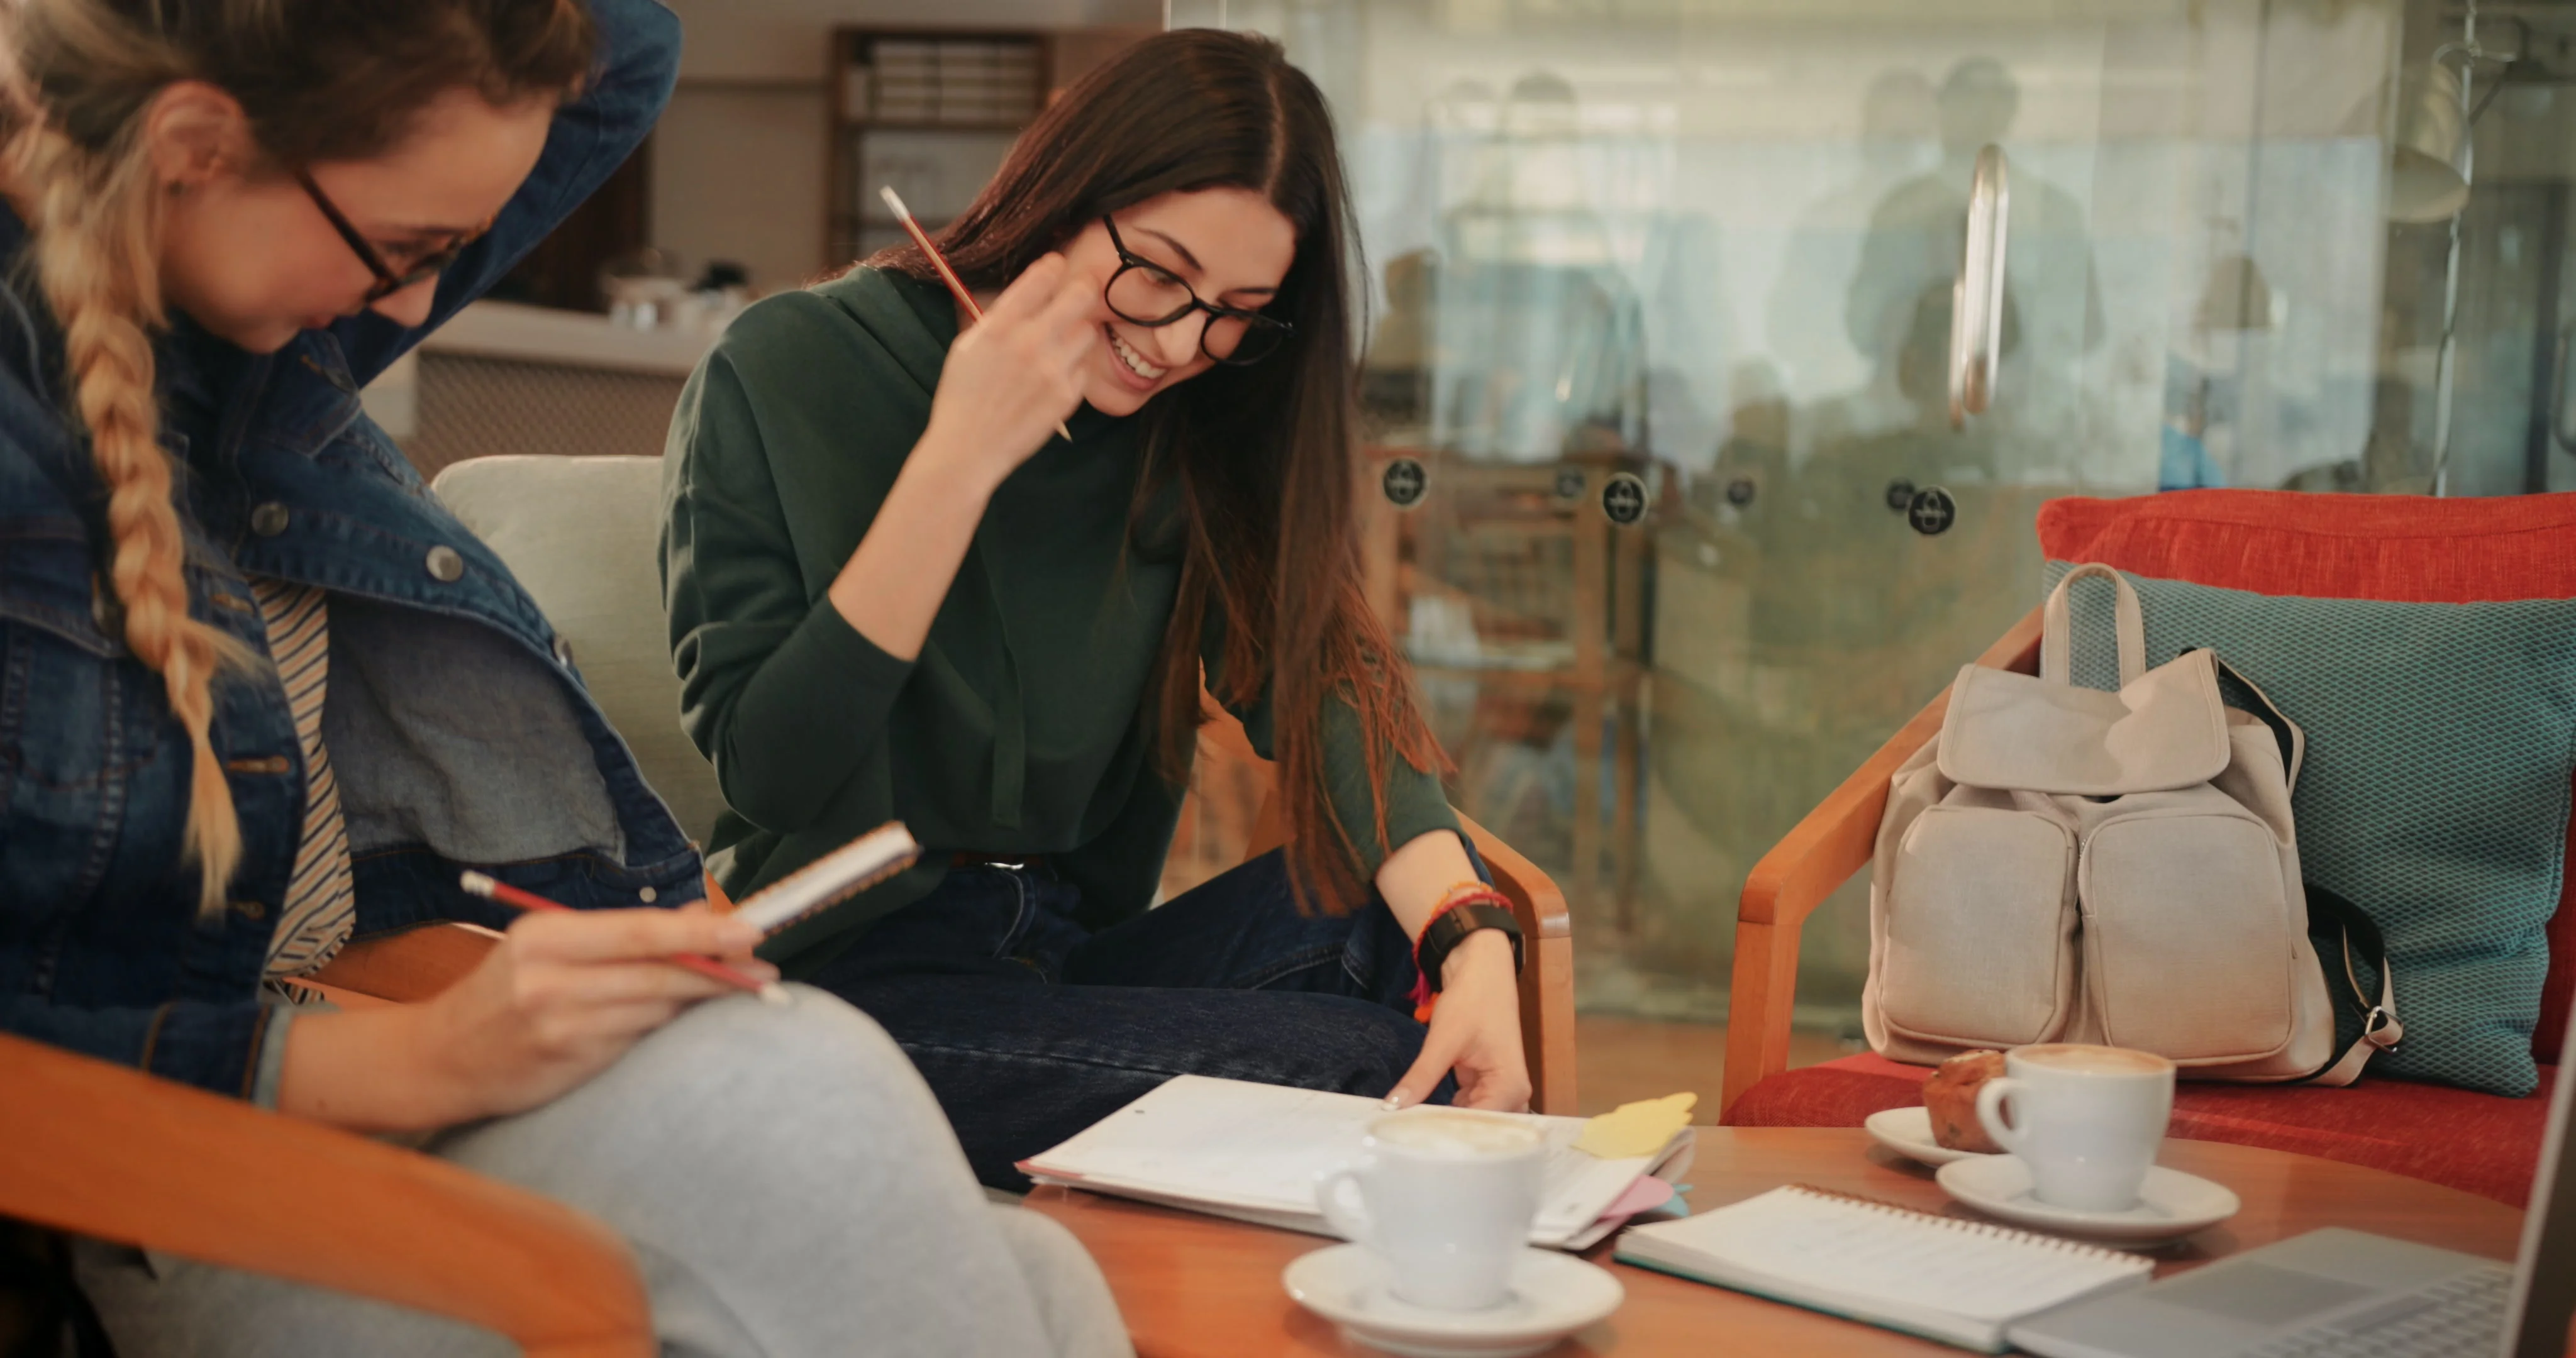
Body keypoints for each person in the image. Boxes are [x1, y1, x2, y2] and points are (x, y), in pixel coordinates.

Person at [0, 1, 1125, 1354]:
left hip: (318, 1074)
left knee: (1042, 1275)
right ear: (190, 141)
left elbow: (626, 47)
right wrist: (425, 1058)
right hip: (124, 1176)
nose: (414, 307)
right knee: (817, 1098)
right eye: (408, 249)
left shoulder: (228, 337)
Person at [662, 28, 1533, 1191]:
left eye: (1234, 310)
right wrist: (957, 464)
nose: (1177, 342)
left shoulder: (1196, 425)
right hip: (844, 992)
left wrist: (1469, 937)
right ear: (1068, 193)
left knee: (1396, 927)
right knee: (1367, 1067)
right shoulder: (791, 367)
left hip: (1068, 961)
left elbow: (1326, 693)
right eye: (1158, 273)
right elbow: (771, 769)